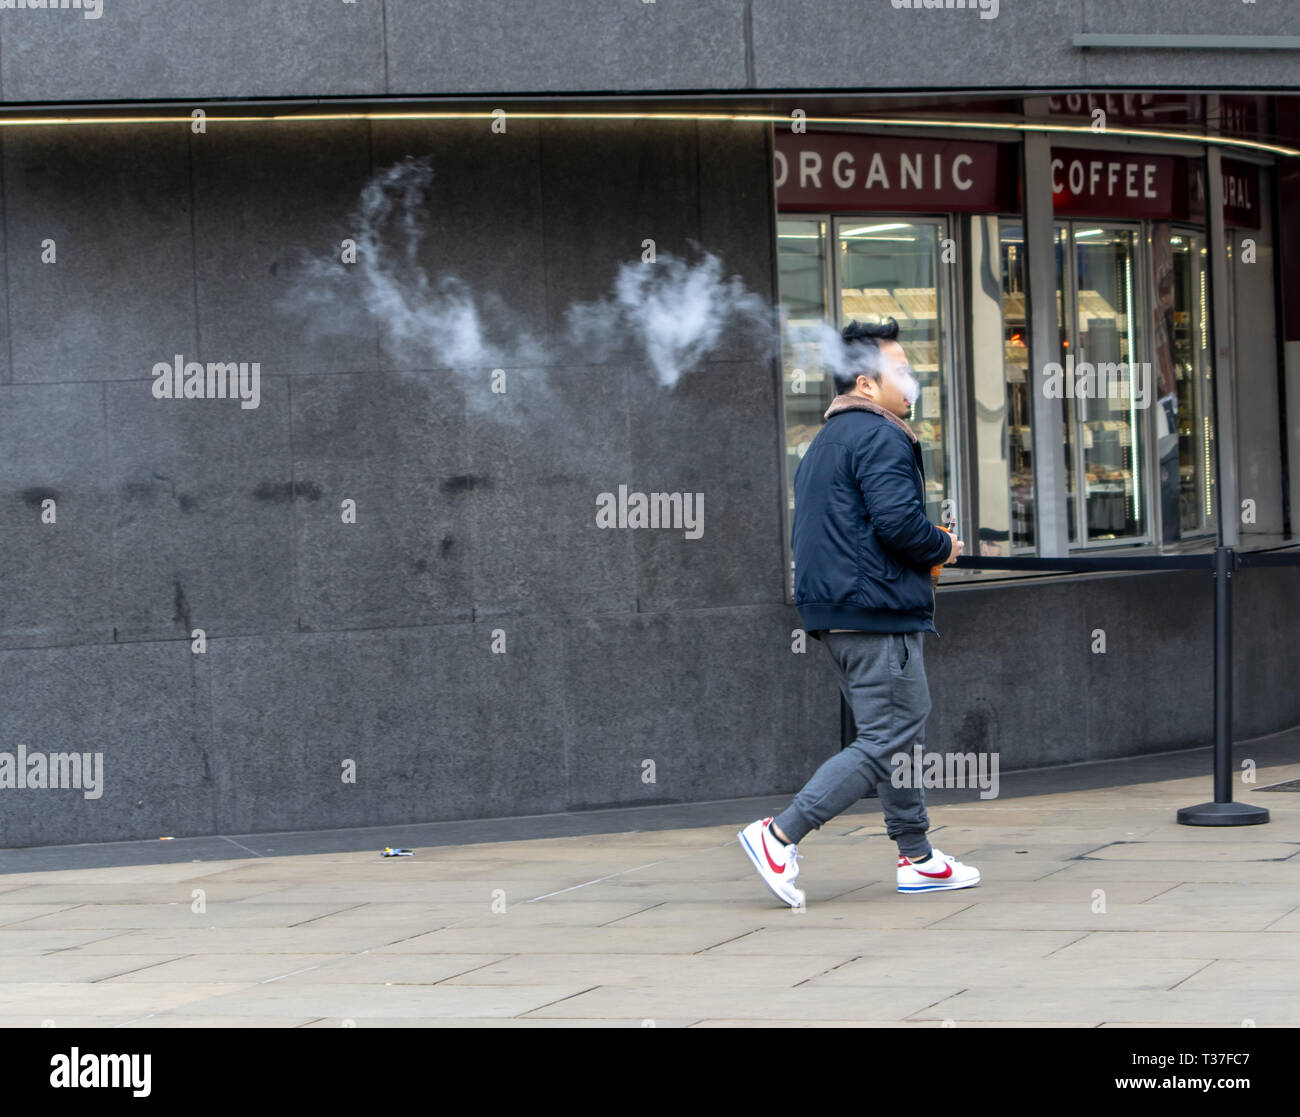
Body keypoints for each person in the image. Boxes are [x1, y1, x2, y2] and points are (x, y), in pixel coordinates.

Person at [738, 318, 981, 906]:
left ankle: (918, 857)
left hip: (841, 611)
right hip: (875, 611)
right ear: (867, 384)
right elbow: (897, 524)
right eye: (900, 369)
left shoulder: (828, 438)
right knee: (892, 731)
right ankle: (778, 835)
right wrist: (943, 546)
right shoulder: (880, 435)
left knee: (897, 735)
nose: (911, 379)